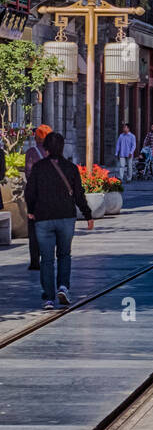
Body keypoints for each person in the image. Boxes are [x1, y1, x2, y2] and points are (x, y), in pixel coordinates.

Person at [24, 130, 93, 309]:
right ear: (62, 148)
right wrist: (87, 214)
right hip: (66, 217)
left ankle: (48, 297)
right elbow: (78, 194)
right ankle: (63, 287)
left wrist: (31, 210)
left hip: (43, 218)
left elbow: (29, 192)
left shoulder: (39, 168)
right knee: (64, 254)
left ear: (46, 148)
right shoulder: (71, 168)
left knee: (46, 259)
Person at [24, 123, 52, 270]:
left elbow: (28, 173)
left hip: (35, 198)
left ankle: (35, 261)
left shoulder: (31, 152)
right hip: (50, 198)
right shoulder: (54, 154)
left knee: (34, 230)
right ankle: (48, 259)